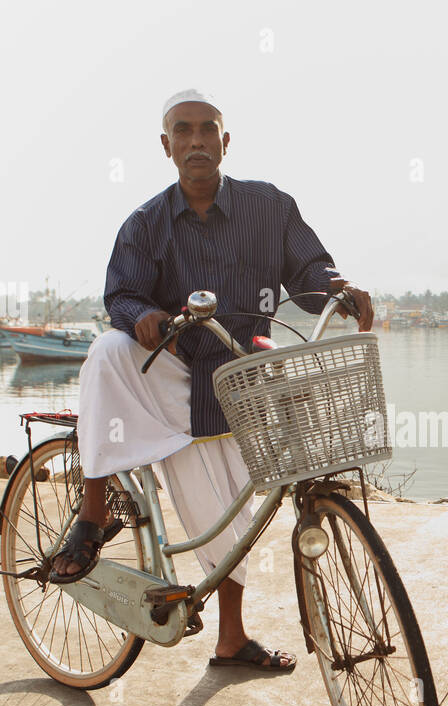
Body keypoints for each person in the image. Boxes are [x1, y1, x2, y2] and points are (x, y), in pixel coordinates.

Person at [50, 89, 374, 673]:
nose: (196, 140)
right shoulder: (146, 223)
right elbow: (121, 293)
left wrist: (336, 286)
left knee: (233, 513)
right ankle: (92, 517)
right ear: (167, 145)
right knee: (103, 352)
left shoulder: (269, 206)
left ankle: (230, 641)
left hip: (240, 371)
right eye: (183, 131)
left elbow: (308, 269)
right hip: (171, 368)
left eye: (207, 130)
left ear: (225, 141)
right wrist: (139, 316)